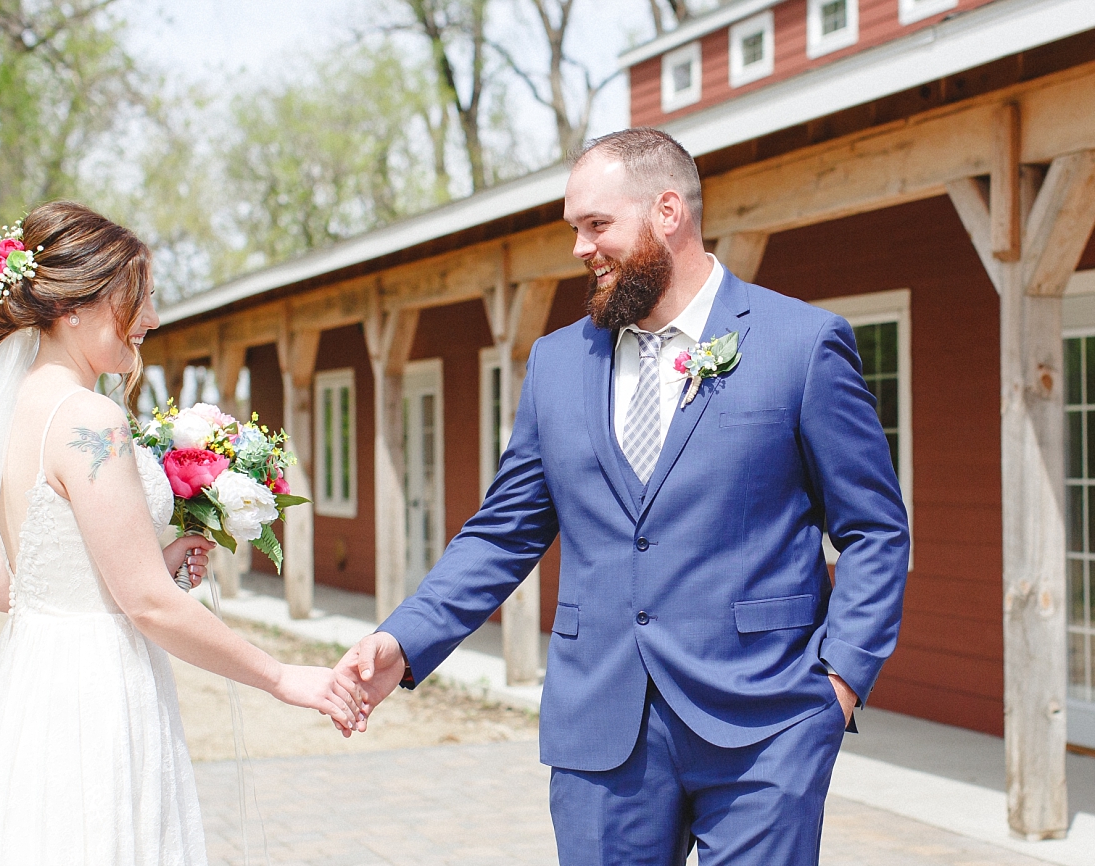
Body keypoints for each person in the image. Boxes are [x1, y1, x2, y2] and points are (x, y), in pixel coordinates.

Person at [338, 128, 910, 865]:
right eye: (576, 228)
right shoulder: (554, 363)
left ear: (668, 211)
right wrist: (405, 637)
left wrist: (841, 681)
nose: (580, 247)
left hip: (766, 726)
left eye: (596, 224)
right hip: (600, 729)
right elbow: (503, 532)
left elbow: (874, 529)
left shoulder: (800, 344)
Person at [0, 201, 360, 866]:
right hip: (97, 694)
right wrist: (279, 677)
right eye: (140, 297)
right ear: (75, 308)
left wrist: (146, 558)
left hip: (27, 687)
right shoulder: (89, 419)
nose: (152, 318)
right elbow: (148, 603)